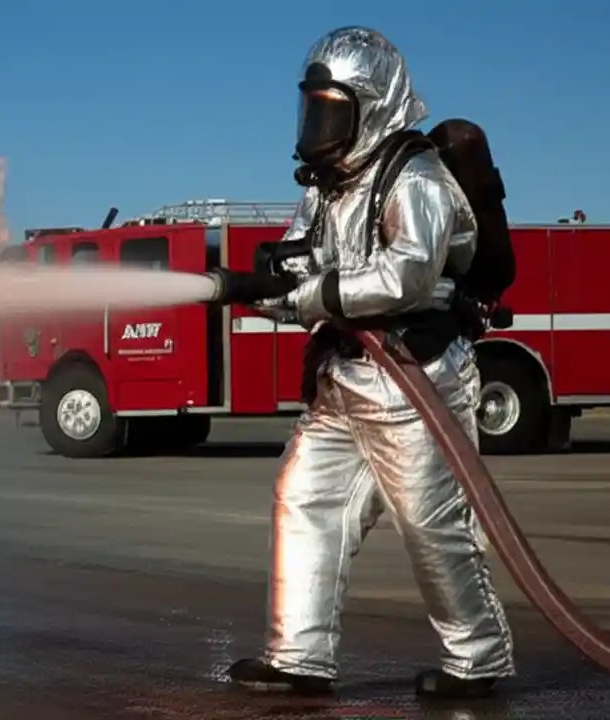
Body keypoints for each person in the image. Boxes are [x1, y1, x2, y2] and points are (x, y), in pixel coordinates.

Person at [223, 26, 516, 699]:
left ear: (373, 106)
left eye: (333, 109)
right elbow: (303, 263)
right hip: (343, 379)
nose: (319, 125)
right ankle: (299, 656)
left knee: (433, 526)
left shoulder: (415, 176)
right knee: (306, 502)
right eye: (314, 108)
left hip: (415, 385)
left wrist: (316, 293)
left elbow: (407, 274)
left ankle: (478, 660)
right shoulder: (327, 187)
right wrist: (267, 284)